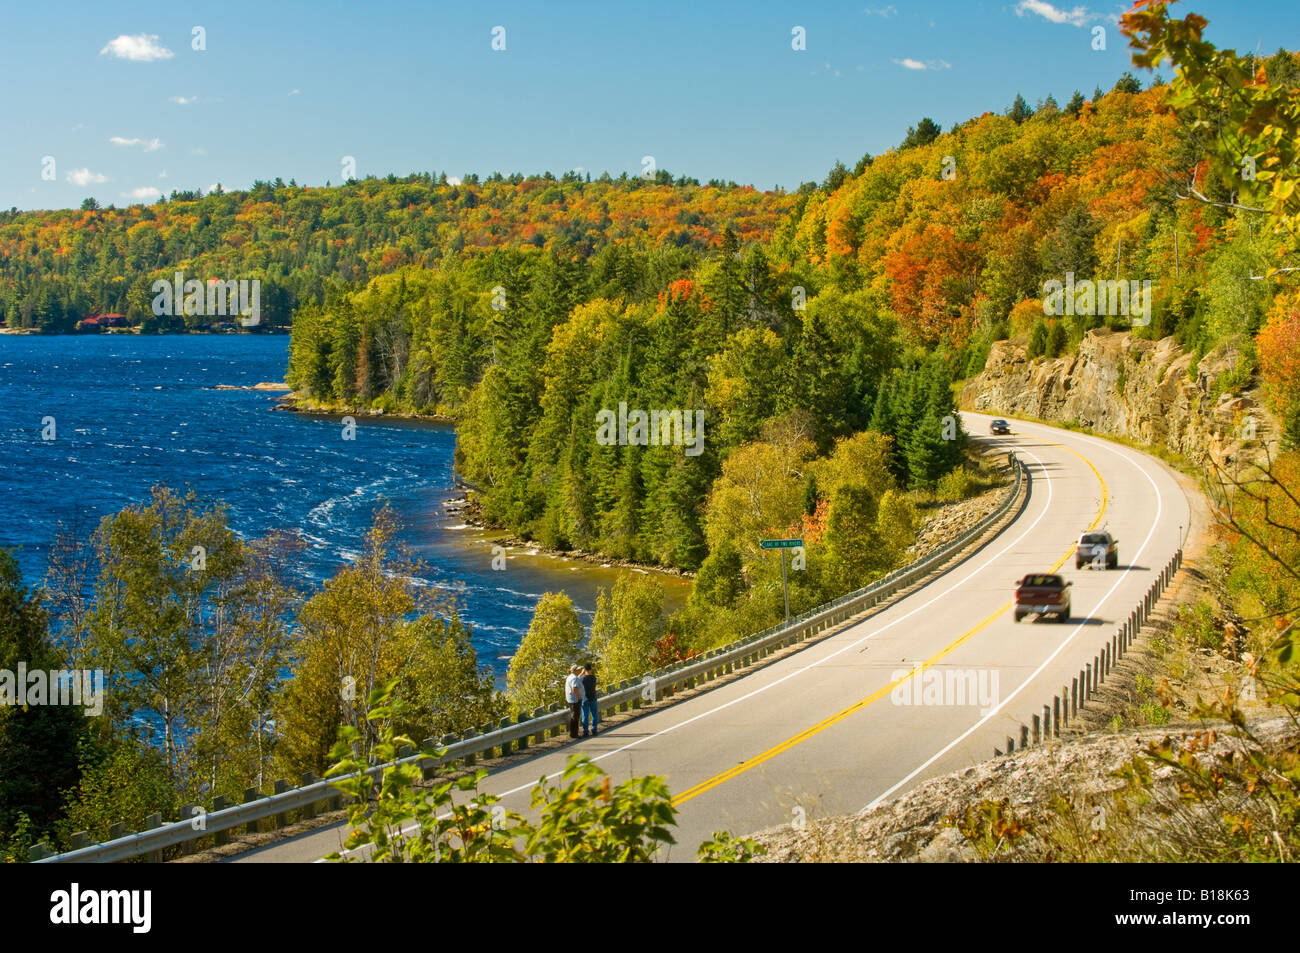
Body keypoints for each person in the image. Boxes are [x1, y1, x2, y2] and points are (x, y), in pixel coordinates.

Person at [564, 664, 585, 739]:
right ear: (574, 671)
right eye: (578, 670)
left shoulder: (570, 677)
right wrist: (579, 697)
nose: (579, 670)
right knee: (575, 716)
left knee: (574, 715)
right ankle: (574, 734)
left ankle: (573, 733)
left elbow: (577, 679)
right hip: (575, 700)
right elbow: (575, 688)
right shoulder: (574, 678)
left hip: (570, 699)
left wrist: (581, 673)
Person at [581, 663, 599, 737]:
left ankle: (585, 731)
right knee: (594, 714)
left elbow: (576, 680)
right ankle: (594, 729)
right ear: (591, 669)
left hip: (585, 698)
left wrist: (581, 673)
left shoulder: (582, 678)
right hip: (593, 697)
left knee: (585, 715)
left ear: (584, 669)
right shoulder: (593, 678)